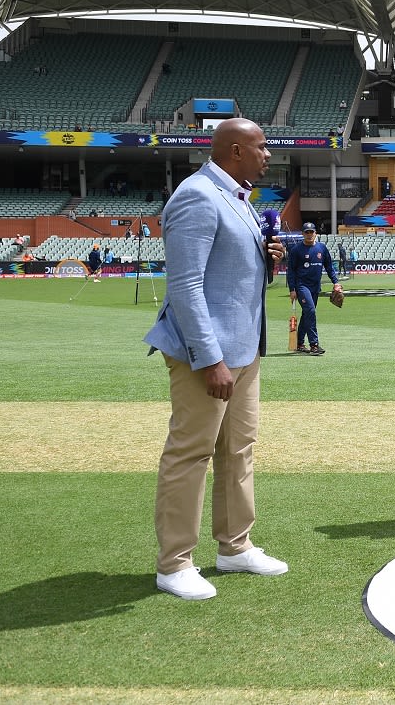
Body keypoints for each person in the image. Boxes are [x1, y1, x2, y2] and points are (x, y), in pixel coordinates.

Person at [144, 118, 288, 601]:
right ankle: (175, 563)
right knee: (191, 453)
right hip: (205, 355)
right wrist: (210, 360)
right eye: (261, 147)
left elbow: (228, 277)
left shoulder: (239, 196)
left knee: (238, 450)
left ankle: (234, 547)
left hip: (243, 349)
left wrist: (266, 259)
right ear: (234, 150)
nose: (268, 155)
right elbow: (184, 287)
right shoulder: (197, 196)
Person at [286, 223, 341, 355]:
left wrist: (336, 283)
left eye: (311, 232)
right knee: (310, 310)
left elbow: (329, 267)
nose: (309, 235)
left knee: (307, 314)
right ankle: (314, 345)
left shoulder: (322, 248)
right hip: (302, 286)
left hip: (315, 287)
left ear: (315, 233)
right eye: (306, 232)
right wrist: (292, 290)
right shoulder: (296, 250)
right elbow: (291, 271)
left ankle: (299, 343)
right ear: (303, 234)